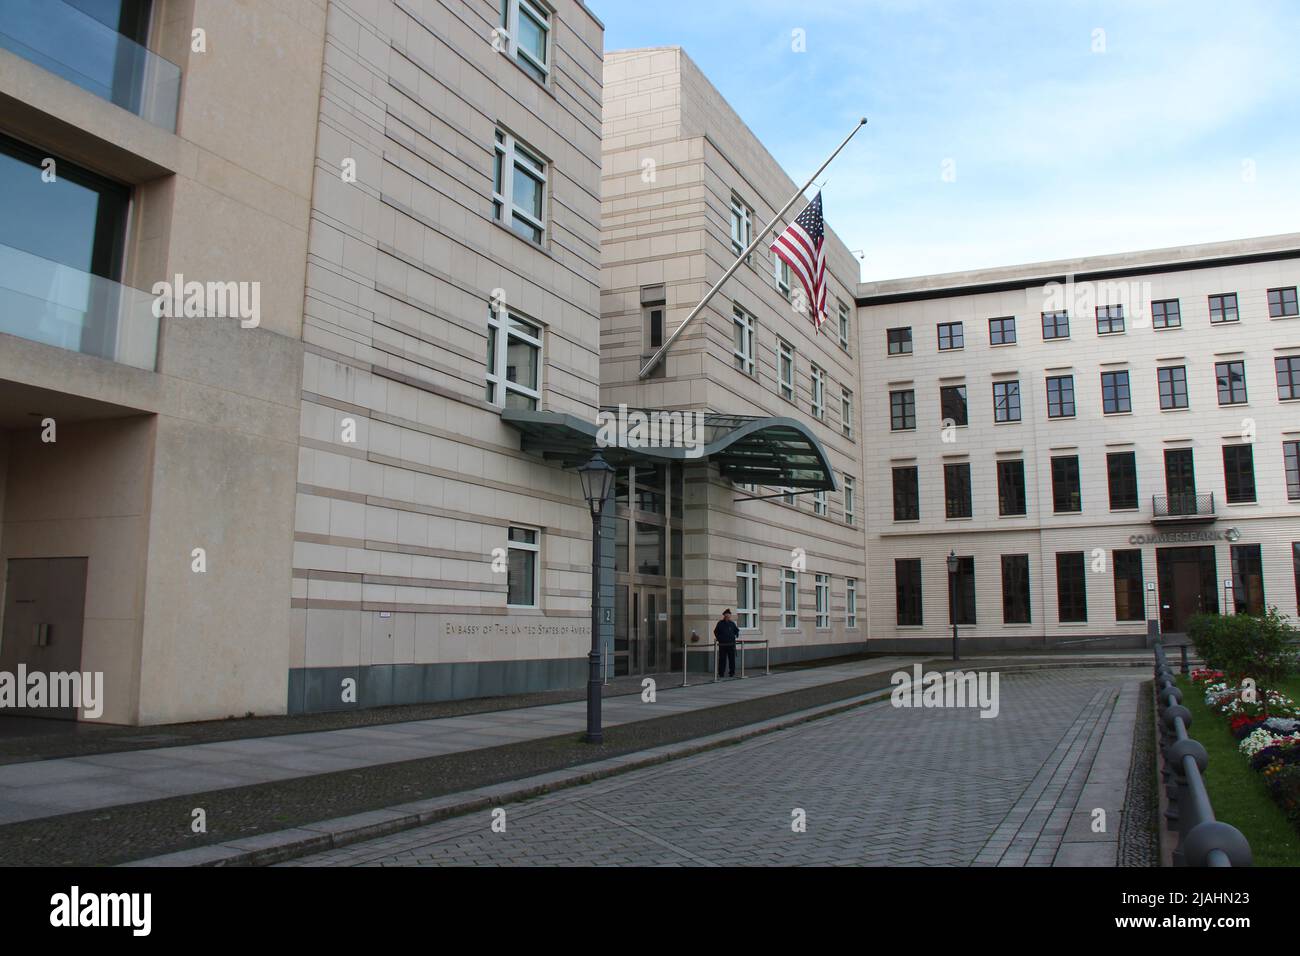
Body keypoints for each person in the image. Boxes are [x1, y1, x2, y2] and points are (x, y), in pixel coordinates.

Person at [714, 608, 739, 678]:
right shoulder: (720, 623)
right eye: (727, 615)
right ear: (724, 615)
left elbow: (736, 630)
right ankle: (721, 673)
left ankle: (732, 672)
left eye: (729, 615)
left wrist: (736, 634)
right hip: (723, 644)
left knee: (732, 659)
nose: (728, 616)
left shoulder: (732, 623)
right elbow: (716, 632)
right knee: (722, 659)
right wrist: (719, 639)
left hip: (731, 644)